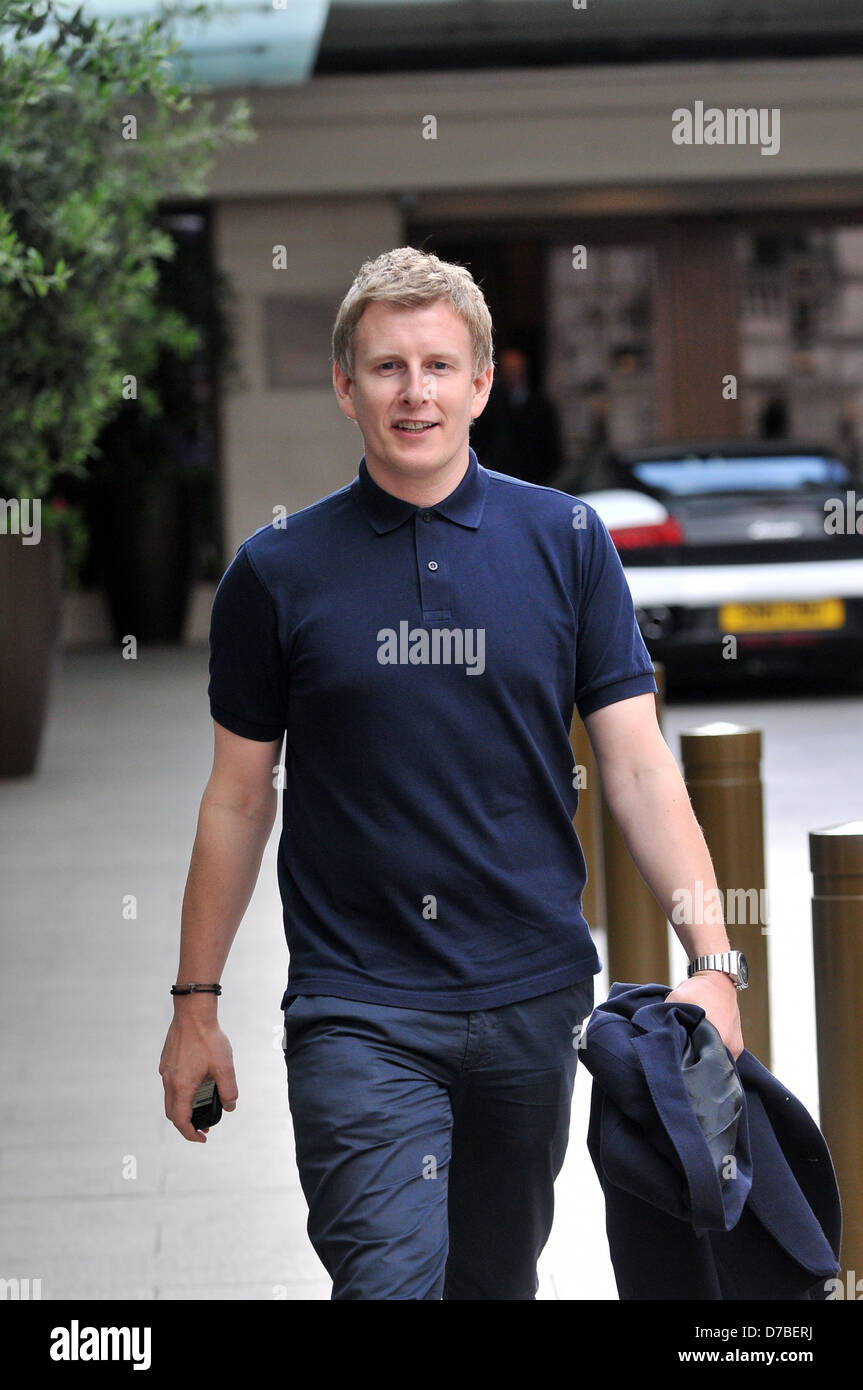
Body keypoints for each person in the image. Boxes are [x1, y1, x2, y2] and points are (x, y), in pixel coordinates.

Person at [159, 245, 744, 1301]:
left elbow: (637, 770)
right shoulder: (275, 570)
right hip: (356, 1005)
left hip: (532, 998)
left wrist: (713, 957)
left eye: (437, 365)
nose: (413, 391)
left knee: (490, 1281)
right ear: (346, 386)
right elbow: (239, 796)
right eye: (385, 367)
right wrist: (195, 1001)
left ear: (480, 381)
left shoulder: (565, 540)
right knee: (388, 1282)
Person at [469, 345, 564, 484]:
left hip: (533, 477)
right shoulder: (490, 403)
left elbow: (549, 444)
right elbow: (482, 437)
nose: (513, 374)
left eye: (516, 369)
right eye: (509, 370)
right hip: (498, 476)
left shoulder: (541, 404)